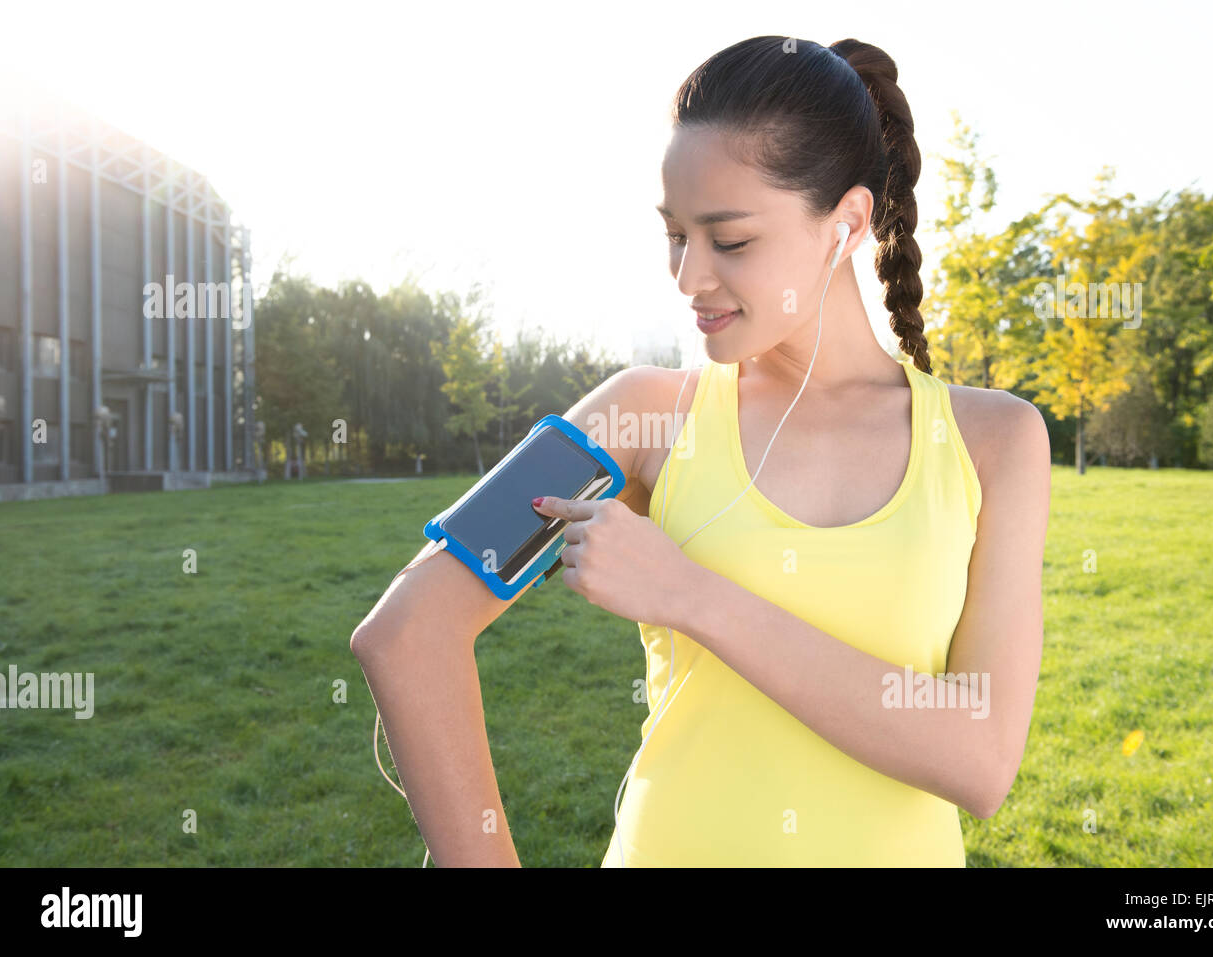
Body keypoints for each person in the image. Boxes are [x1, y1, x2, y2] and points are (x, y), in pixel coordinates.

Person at [350, 35, 1050, 867]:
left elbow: (978, 759)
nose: (688, 277)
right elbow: (407, 631)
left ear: (847, 222)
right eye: (676, 234)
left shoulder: (995, 441)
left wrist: (691, 595)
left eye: (731, 240)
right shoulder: (643, 415)